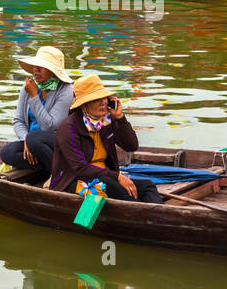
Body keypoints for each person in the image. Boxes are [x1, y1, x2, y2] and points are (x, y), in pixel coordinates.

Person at [49, 73, 162, 204]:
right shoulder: (69, 128)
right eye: (97, 99)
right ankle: (146, 215)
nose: (103, 102)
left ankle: (162, 216)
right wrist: (117, 176)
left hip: (106, 177)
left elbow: (131, 146)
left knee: (147, 186)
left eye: (104, 98)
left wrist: (120, 118)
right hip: (74, 181)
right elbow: (79, 168)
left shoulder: (107, 121)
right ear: (84, 104)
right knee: (117, 189)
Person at [0, 46, 75, 177]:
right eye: (35, 66)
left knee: (35, 139)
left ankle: (58, 173)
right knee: (7, 153)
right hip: (32, 143)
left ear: (53, 71)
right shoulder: (28, 87)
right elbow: (18, 121)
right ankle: (47, 167)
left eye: (42, 67)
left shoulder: (66, 90)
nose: (36, 70)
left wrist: (34, 96)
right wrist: (25, 141)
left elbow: (50, 126)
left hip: (56, 144)